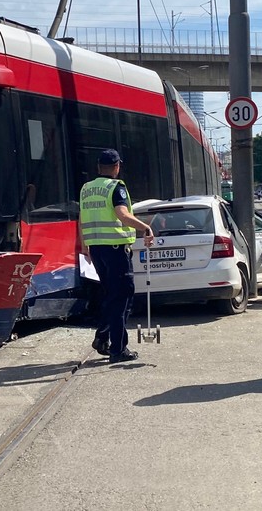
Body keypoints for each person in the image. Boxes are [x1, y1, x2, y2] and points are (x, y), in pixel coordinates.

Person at [79, 149, 154, 364]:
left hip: (97, 249)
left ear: (98, 167)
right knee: (122, 296)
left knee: (111, 295)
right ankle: (117, 349)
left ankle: (102, 338)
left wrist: (86, 247)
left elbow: (82, 219)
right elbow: (122, 215)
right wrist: (145, 228)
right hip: (115, 249)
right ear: (116, 167)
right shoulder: (115, 187)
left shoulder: (86, 189)